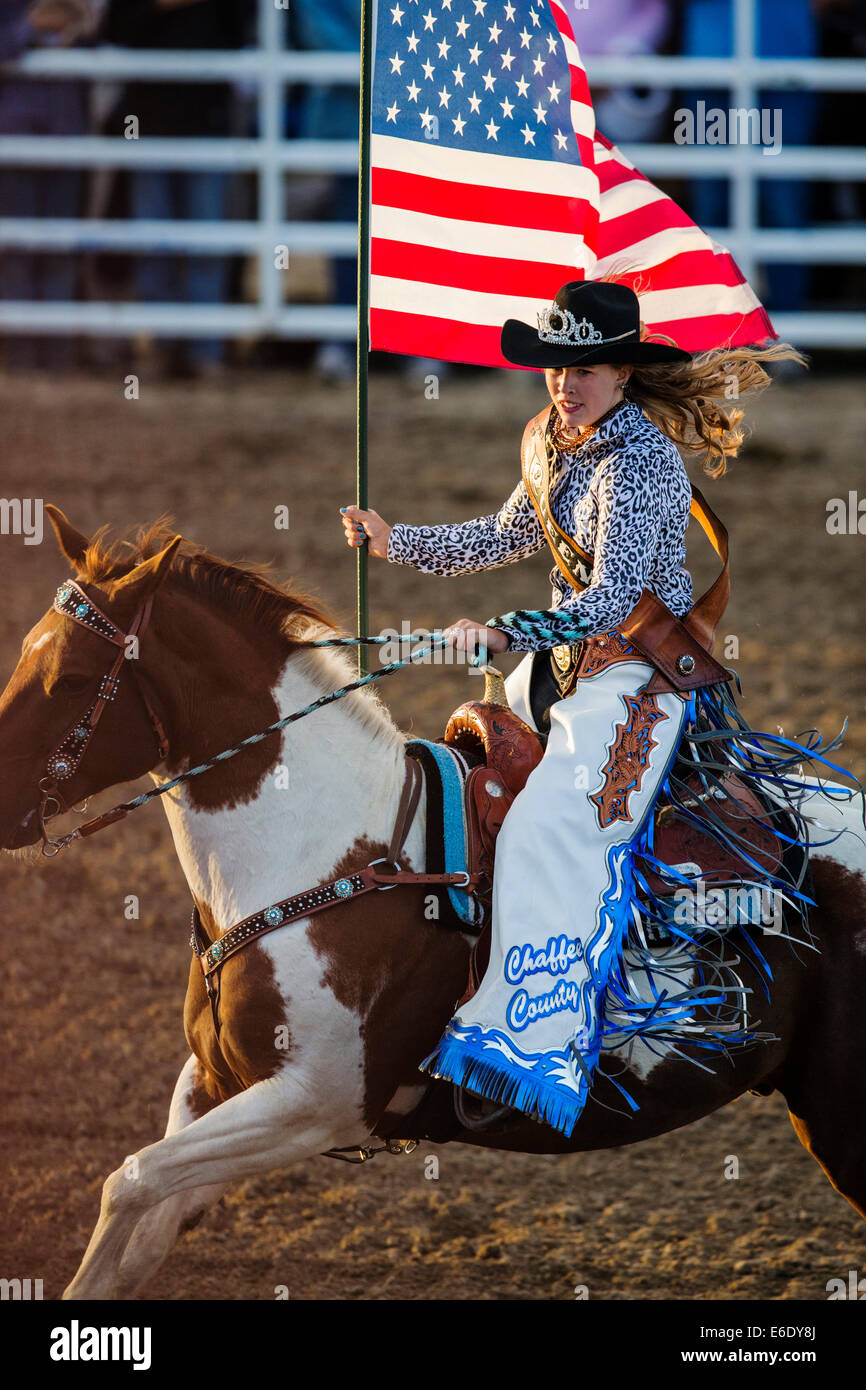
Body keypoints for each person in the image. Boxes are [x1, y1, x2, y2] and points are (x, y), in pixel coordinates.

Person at [339, 279, 844, 1137]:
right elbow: (505, 536)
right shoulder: (549, 439)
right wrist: (398, 540)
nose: (565, 385)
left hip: (641, 675)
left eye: (586, 369)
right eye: (556, 368)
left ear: (622, 372)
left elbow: (614, 597)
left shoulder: (643, 458)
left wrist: (507, 630)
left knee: (549, 824)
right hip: (561, 669)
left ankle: (535, 1038)